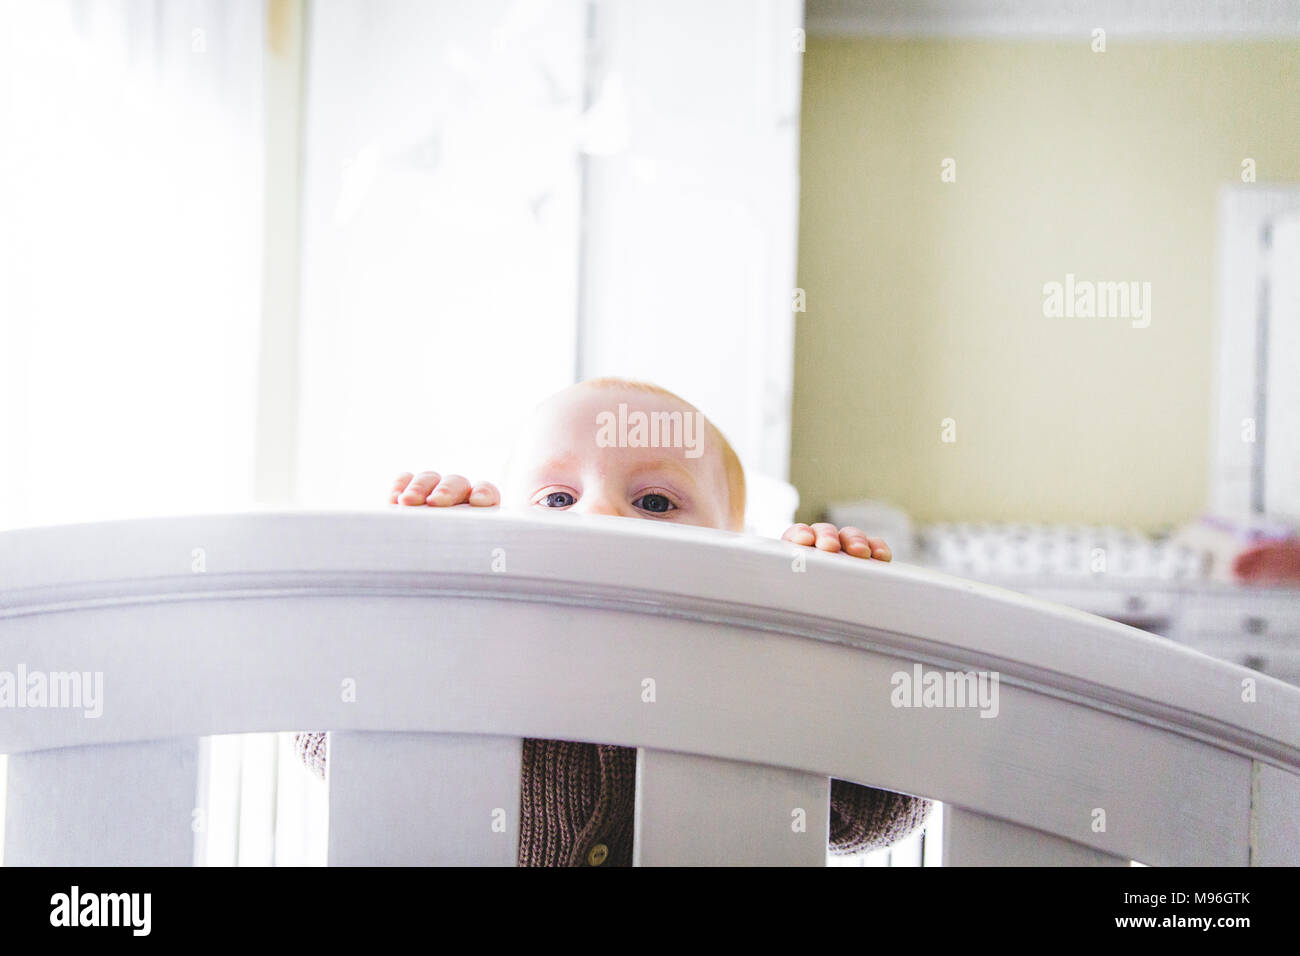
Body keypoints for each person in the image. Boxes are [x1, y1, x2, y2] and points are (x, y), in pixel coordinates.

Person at [295, 376, 931, 865]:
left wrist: (832, 640)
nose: (598, 513)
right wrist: (419, 603)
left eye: (654, 501)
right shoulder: (479, 659)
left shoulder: (747, 682)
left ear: (740, 550)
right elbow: (326, 740)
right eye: (557, 499)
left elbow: (882, 814)